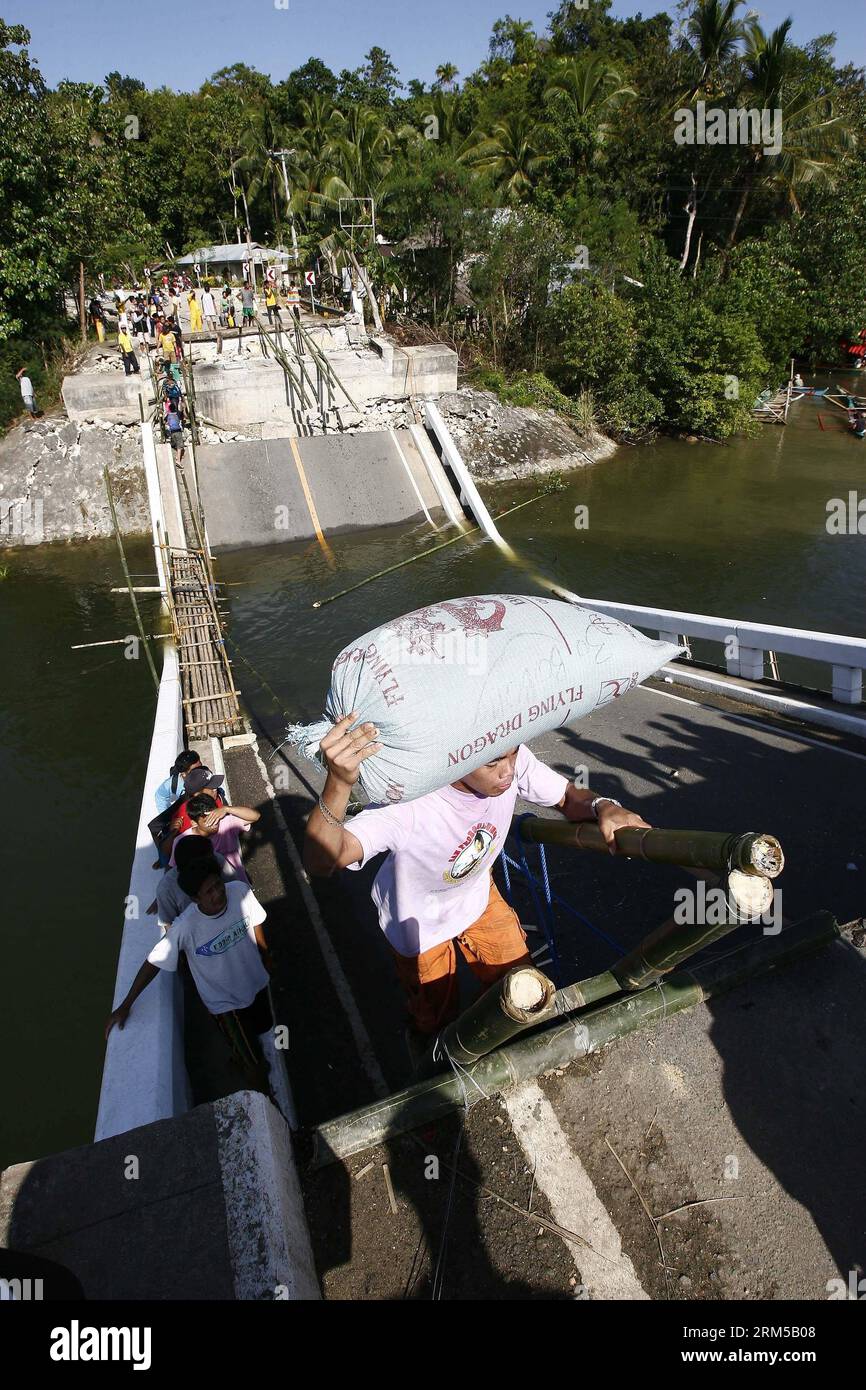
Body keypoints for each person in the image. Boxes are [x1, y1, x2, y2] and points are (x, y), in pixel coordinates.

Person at [304, 715, 650, 1047]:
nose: (509, 770)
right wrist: (338, 783)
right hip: (417, 923)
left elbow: (567, 796)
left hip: (477, 895)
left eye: (514, 753)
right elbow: (322, 861)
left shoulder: (508, 756)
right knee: (434, 1014)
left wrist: (604, 806)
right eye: (493, 763)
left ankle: (495, 1040)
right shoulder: (407, 804)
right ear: (454, 757)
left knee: (522, 983)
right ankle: (431, 1059)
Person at [105, 857, 273, 1070]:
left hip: (256, 983)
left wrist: (265, 955)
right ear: (195, 899)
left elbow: (256, 920)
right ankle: (255, 1076)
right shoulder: (184, 927)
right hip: (226, 1004)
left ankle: (241, 1056)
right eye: (209, 892)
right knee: (254, 1064)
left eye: (218, 885)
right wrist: (126, 1005)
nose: (218, 893)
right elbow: (153, 963)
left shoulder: (239, 891)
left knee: (263, 1028)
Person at [150, 833, 236, 933]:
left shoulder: (217, 860)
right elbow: (169, 926)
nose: (214, 860)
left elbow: (235, 888)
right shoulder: (166, 889)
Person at [170, 793, 260, 882]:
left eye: (214, 817)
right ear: (194, 823)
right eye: (207, 821)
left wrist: (227, 809)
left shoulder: (226, 822)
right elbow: (176, 873)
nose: (214, 823)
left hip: (239, 884)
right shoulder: (182, 843)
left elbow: (255, 816)